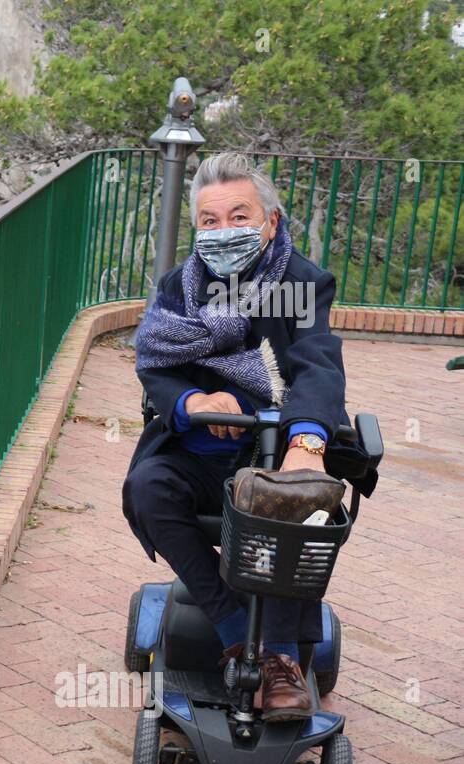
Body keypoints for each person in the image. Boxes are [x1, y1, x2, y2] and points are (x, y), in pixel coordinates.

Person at [122, 151, 347, 720]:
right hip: (197, 453)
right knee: (148, 488)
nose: (224, 231)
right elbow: (156, 366)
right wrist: (194, 401)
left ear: (270, 222)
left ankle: (280, 656)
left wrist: (306, 444)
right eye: (210, 221)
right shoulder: (179, 286)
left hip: (267, 450)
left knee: (293, 505)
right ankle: (232, 626)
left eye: (239, 217)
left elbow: (317, 364)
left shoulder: (300, 283)